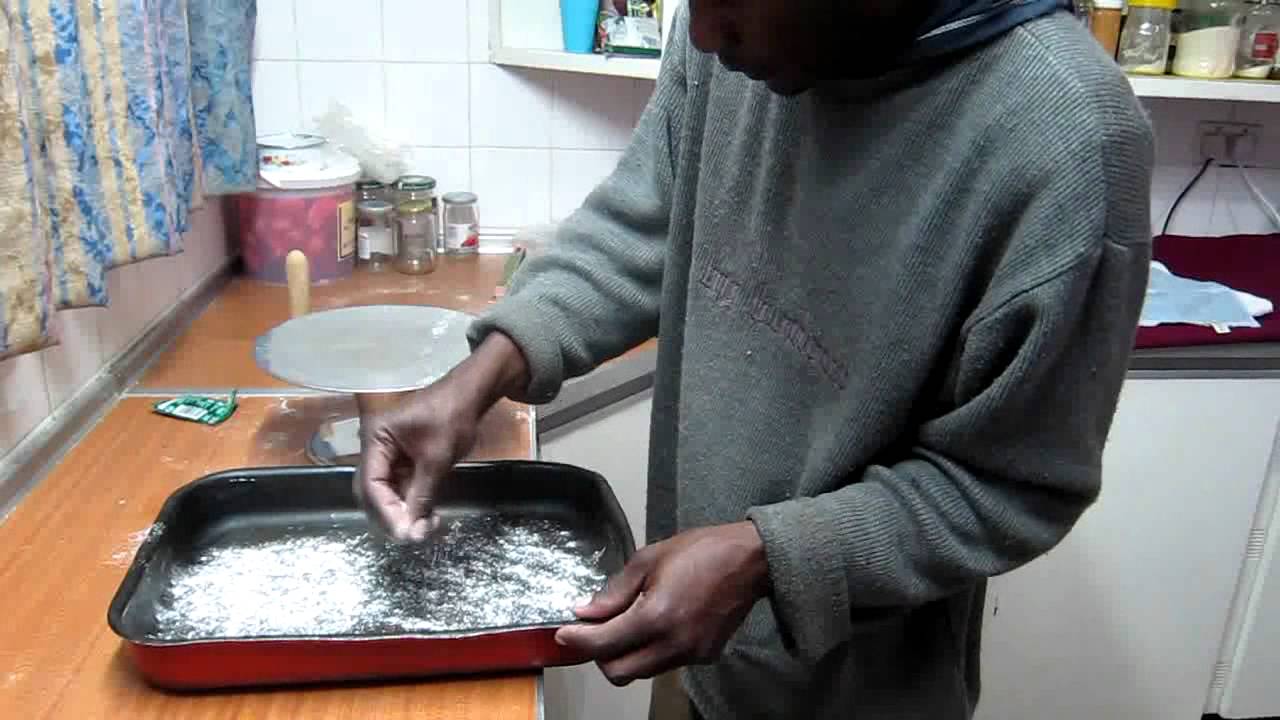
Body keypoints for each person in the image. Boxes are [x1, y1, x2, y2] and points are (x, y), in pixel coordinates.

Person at [356, 0, 1154, 717]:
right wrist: (481, 376)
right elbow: (649, 217)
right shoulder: (736, 34)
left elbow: (1011, 486)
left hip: (852, 697)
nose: (699, 34)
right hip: (698, 649)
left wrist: (768, 558)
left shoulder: (1069, 141)